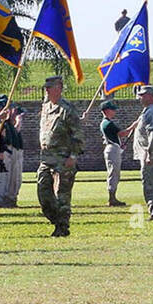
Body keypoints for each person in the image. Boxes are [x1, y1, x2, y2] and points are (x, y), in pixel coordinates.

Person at [36, 76, 85, 237]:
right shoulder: (46, 108)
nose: (47, 90)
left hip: (63, 159)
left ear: (59, 88)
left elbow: (78, 135)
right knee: (43, 193)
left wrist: (73, 155)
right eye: (46, 88)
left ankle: (62, 227)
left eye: (50, 87)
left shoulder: (67, 109)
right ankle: (56, 220)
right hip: (46, 158)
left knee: (62, 195)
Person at [125, 84, 153, 220]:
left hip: (149, 154)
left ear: (150, 96)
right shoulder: (148, 111)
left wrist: (150, 153)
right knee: (152, 182)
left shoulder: (152, 112)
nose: (140, 98)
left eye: (142, 95)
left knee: (151, 183)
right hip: (148, 153)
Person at [99, 100, 126, 206]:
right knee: (113, 173)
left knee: (115, 173)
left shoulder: (106, 123)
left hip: (113, 148)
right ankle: (112, 198)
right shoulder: (108, 123)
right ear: (106, 111)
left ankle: (113, 197)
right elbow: (122, 133)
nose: (114, 111)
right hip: (112, 150)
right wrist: (134, 125)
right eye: (112, 109)